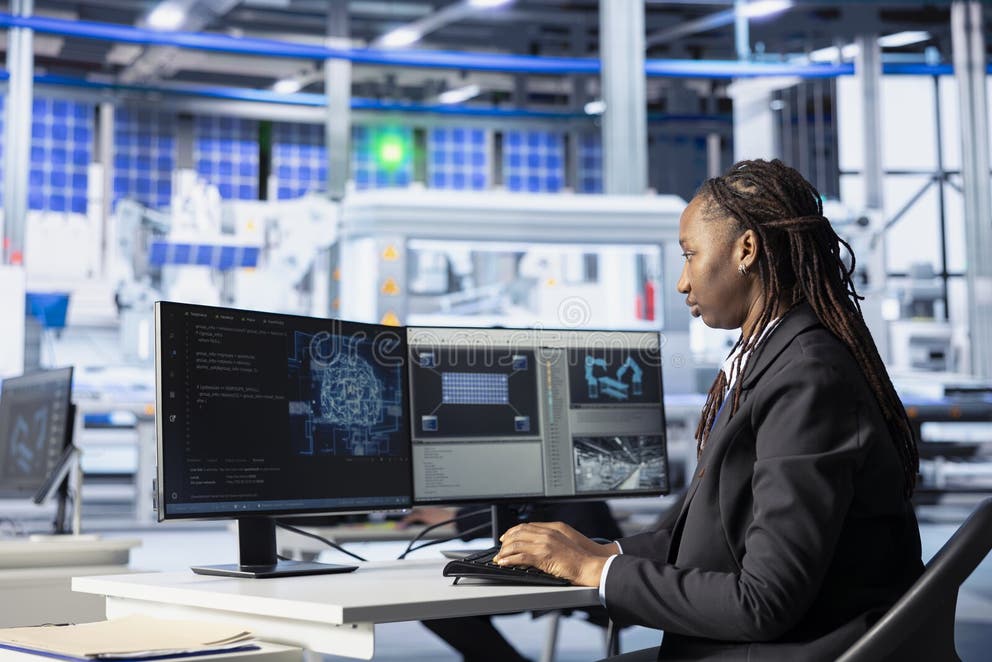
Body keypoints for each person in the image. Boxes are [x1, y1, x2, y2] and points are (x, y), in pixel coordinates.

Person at [496, 159, 925, 660]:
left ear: (746, 249)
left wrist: (598, 573)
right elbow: (712, 538)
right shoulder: (769, 359)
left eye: (689, 255)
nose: (682, 282)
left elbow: (763, 601)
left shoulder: (807, 376)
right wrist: (599, 553)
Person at [403, 502, 623, 662]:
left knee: (443, 610)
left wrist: (459, 518)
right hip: (579, 580)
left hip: (582, 586)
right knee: (448, 608)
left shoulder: (566, 503)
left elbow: (526, 516)